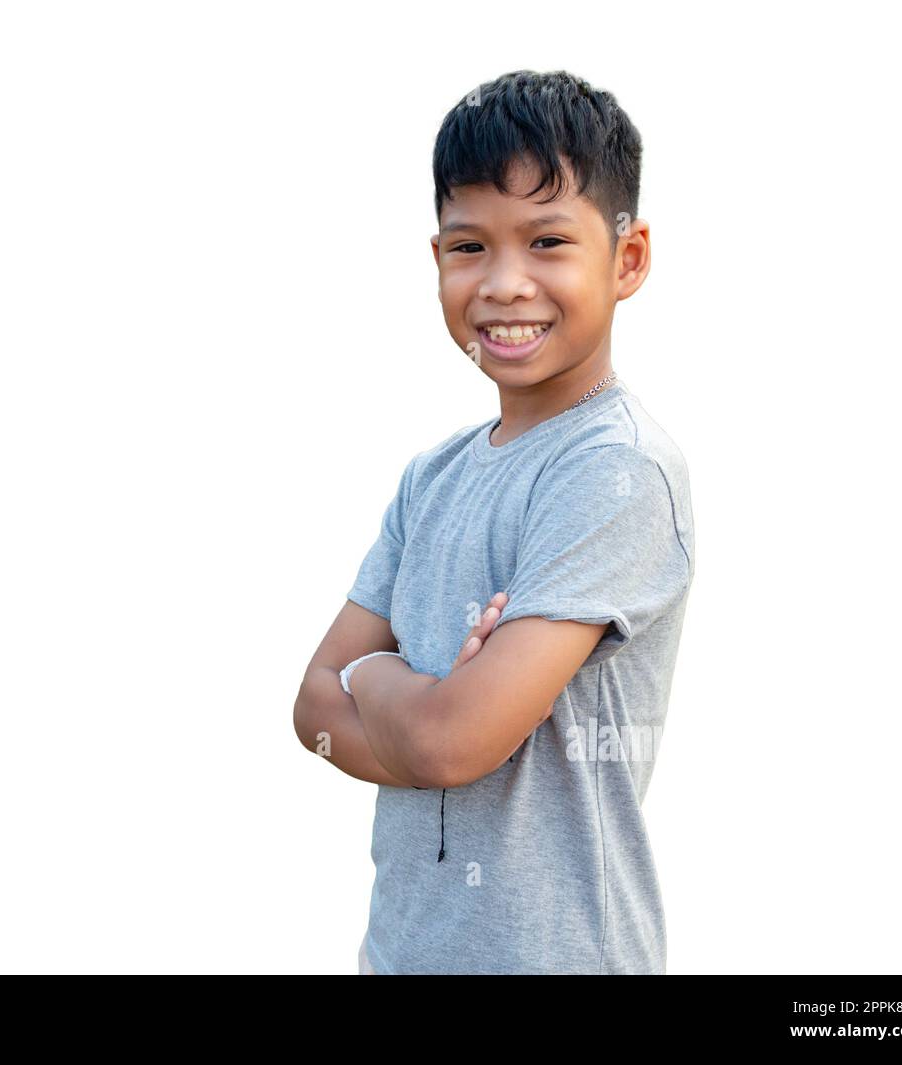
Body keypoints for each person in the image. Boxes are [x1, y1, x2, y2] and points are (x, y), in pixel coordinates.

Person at [293, 70, 695, 975]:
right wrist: (422, 704)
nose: (505, 284)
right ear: (437, 257)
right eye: (471, 246)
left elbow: (449, 741)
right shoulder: (431, 476)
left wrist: (378, 674)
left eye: (548, 240)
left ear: (626, 259)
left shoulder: (615, 470)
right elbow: (310, 709)